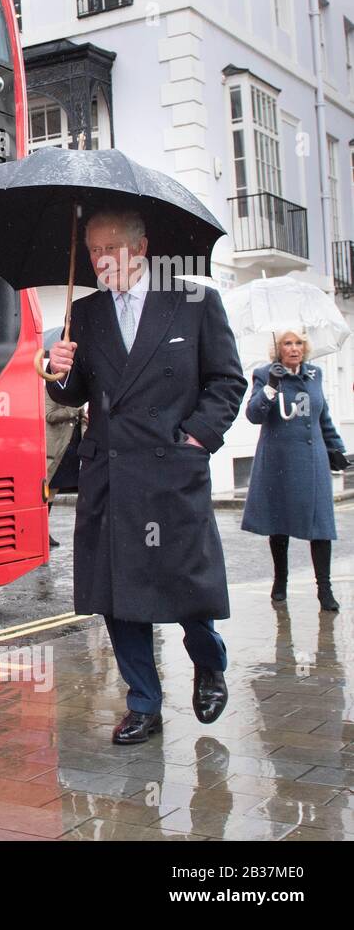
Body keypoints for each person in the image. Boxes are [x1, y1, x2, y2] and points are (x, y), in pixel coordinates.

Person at [47, 208, 246, 745]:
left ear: (141, 249)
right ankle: (143, 702)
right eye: (92, 250)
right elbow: (74, 394)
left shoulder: (195, 302)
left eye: (109, 248)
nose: (99, 260)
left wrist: (196, 440)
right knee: (117, 592)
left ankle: (208, 661)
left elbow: (227, 380)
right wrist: (58, 370)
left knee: (186, 584)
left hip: (171, 472)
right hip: (111, 474)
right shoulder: (84, 315)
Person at [242, 330, 347, 612]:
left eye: (298, 343)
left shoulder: (315, 374)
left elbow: (322, 414)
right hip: (279, 460)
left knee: (321, 525)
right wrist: (271, 387)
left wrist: (336, 447)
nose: (294, 348)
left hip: (312, 459)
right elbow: (254, 415)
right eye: (287, 343)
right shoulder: (266, 374)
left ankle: (324, 590)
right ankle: (280, 581)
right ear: (278, 348)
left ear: (305, 347)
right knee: (279, 522)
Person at [44, 390, 82, 548]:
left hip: (70, 448)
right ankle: (40, 531)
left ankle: (44, 531)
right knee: (45, 489)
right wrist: (74, 410)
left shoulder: (75, 391)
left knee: (53, 489)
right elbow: (49, 415)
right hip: (56, 448)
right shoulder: (50, 389)